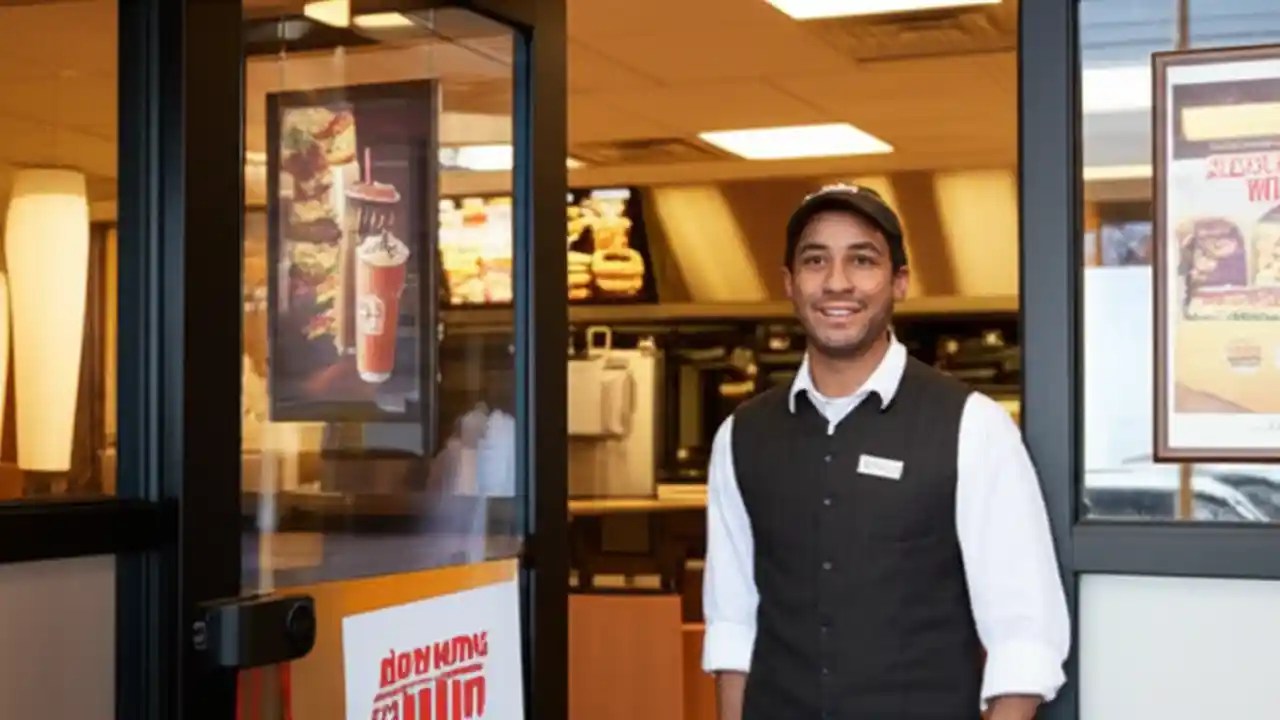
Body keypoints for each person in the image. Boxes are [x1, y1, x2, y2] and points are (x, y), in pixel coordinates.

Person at [700, 184, 1070, 720]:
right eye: (815, 261)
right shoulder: (742, 435)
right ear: (789, 283)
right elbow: (733, 628)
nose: (837, 282)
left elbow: (1025, 637)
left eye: (862, 260)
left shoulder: (972, 426)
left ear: (899, 281)